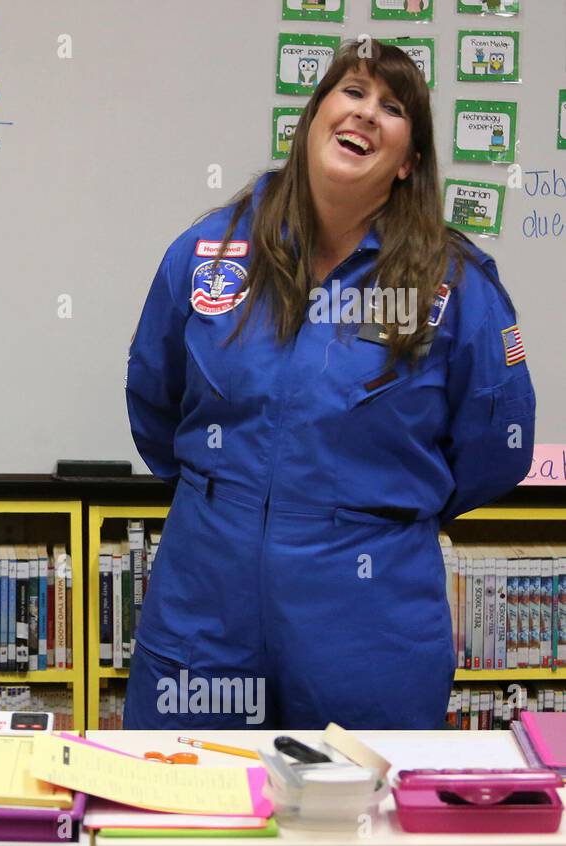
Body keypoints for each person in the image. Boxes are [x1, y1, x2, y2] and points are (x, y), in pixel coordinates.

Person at [123, 41, 535, 730]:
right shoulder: (209, 254)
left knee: (361, 829)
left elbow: (497, 445)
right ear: (311, 120)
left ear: (408, 161)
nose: (367, 114)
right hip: (205, 608)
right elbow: (153, 399)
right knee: (184, 820)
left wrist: (371, 512)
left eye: (394, 106)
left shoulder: (455, 286)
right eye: (352, 92)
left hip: (370, 628)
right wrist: (235, 498)